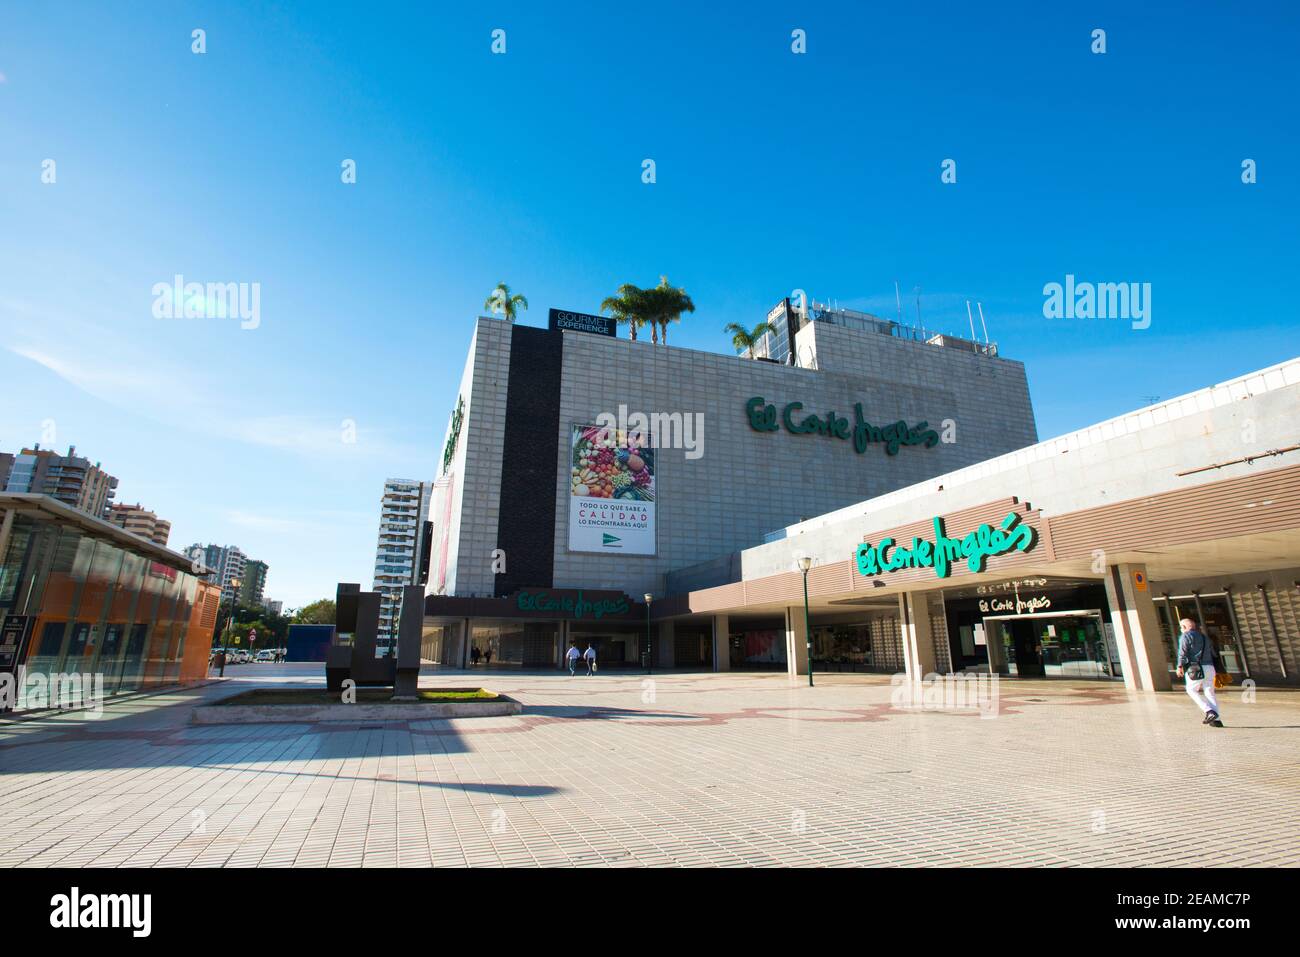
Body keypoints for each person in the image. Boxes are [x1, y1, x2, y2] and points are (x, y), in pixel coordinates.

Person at [1177, 617, 1223, 727]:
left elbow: (1182, 653)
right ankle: (1216, 721)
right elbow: (1213, 652)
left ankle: (1209, 711)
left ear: (1184, 627)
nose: (1181, 629)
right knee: (1210, 692)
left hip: (1195, 668)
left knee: (1191, 689)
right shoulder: (1204, 637)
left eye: (1181, 627)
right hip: (1209, 667)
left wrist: (1179, 666)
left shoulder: (1185, 636)